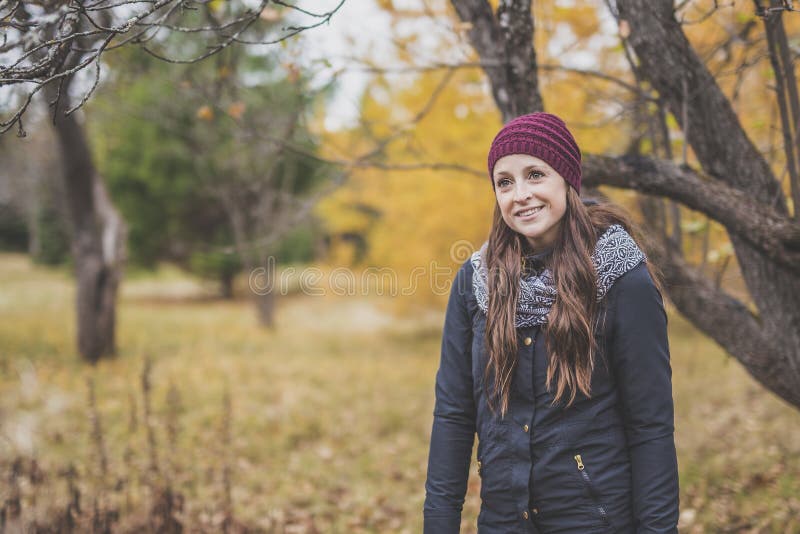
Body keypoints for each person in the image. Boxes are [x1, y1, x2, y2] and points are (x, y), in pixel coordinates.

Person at [423, 112, 679, 533]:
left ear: (567, 179)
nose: (520, 195)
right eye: (505, 182)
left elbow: (650, 426)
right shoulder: (476, 282)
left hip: (594, 521)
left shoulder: (622, 278)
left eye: (535, 175)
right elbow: (453, 414)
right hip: (503, 522)